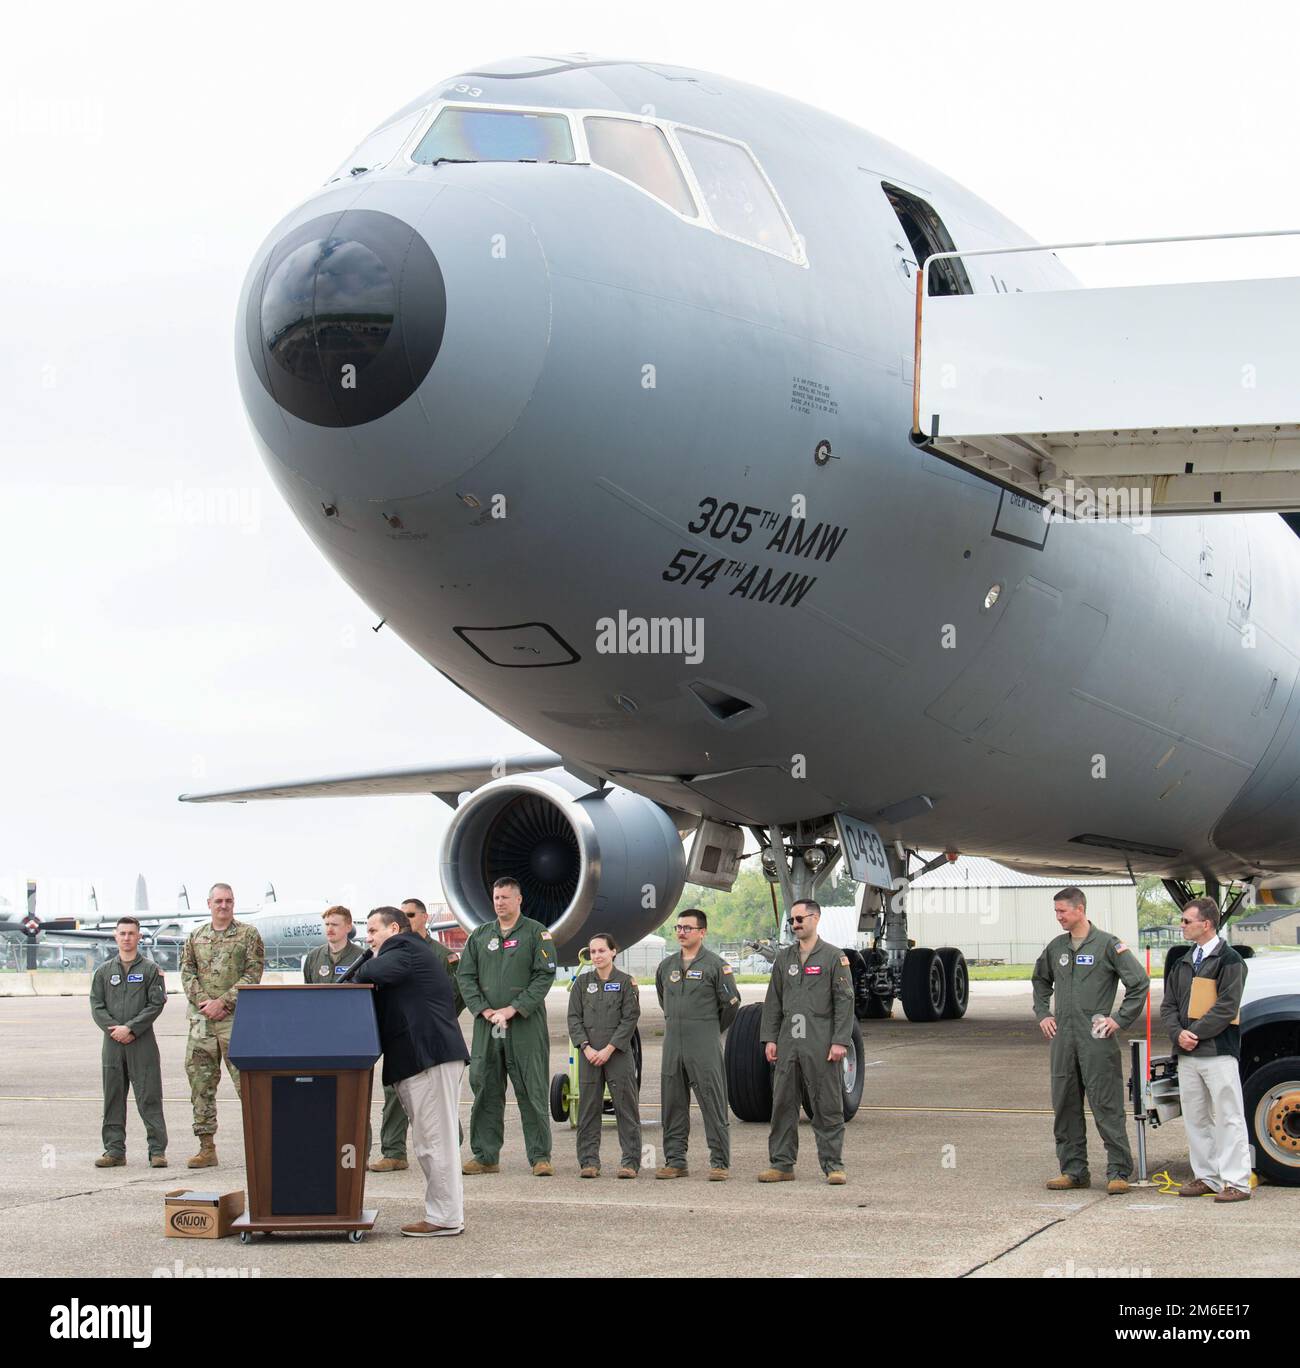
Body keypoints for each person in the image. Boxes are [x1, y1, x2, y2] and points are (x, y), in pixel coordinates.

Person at [353, 907, 469, 1236]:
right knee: (431, 1140)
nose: (369, 938)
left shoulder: (404, 948)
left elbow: (372, 972)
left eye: (374, 931)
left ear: (395, 928)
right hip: (423, 1058)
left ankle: (444, 1217)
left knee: (435, 1142)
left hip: (429, 1057)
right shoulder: (405, 951)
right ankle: (447, 1214)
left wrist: (363, 964)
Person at [1032, 886, 1149, 1194]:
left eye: (1062, 911)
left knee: (1106, 1104)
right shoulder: (1056, 948)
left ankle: (1119, 1171)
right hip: (1062, 1039)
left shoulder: (1109, 945)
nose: (1058, 917)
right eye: (1056, 912)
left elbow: (1139, 983)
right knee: (1065, 1104)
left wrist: (1119, 1020)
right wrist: (1043, 1013)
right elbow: (1040, 980)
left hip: (1096, 1036)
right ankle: (1073, 1170)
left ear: (1080, 909)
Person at [457, 876, 558, 1177]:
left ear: (518, 900)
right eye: (496, 897)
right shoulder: (479, 936)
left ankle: (540, 1157)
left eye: (505, 897)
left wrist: (514, 1008)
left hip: (524, 1025)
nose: (499, 902)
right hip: (488, 1026)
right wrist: (484, 1010)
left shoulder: (536, 934)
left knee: (532, 1088)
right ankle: (486, 1156)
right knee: (485, 1087)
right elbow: (465, 977)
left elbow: (544, 976)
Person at [1160, 896, 1252, 1202]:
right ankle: (1207, 1177)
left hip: (1217, 1051)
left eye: (1187, 921)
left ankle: (1237, 1182)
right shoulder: (1183, 961)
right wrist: (1178, 1034)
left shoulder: (1230, 961)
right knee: (1196, 1117)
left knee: (1229, 1116)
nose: (1182, 925)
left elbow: (1226, 1006)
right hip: (1188, 1053)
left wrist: (1193, 1034)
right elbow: (1169, 1004)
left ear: (1206, 924)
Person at [757, 900, 854, 1184]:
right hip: (788, 1043)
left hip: (820, 1042)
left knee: (827, 1105)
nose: (796, 924)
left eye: (800, 918)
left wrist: (840, 1041)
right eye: (792, 920)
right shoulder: (784, 958)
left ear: (816, 918)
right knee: (783, 1105)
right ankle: (782, 1164)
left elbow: (845, 1001)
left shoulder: (834, 957)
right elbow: (773, 1001)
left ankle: (833, 1165)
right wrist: (769, 1038)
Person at [370, 897, 465, 1173]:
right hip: (406, 1049)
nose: (369, 938)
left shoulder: (418, 950)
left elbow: (453, 995)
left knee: (438, 1134)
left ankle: (445, 1215)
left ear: (422, 918)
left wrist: (432, 1023)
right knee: (418, 1126)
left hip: (430, 1047)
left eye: (411, 914)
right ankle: (394, 1150)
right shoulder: (394, 951)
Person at [180, 883, 265, 1169]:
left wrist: (224, 1002)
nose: (224, 905)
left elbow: (253, 974)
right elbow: (186, 973)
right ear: (209, 904)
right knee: (201, 1084)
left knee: (248, 1085)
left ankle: (261, 1146)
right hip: (201, 1023)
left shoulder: (248, 934)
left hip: (236, 1021)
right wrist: (205, 1002)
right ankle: (206, 1147)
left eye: (228, 901)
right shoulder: (195, 936)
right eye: (218, 901)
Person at [654, 908, 740, 1180]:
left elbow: (731, 1004)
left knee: (712, 1103)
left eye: (687, 928)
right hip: (673, 1045)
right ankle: (676, 1160)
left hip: (704, 1043)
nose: (681, 932)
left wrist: (710, 1027)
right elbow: (662, 999)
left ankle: (719, 1162)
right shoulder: (666, 967)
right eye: (678, 927)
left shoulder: (716, 966)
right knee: (673, 1105)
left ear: (702, 932)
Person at [89, 917, 168, 1168]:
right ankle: (114, 1150)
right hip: (112, 1043)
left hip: (141, 1042)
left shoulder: (150, 970)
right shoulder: (103, 972)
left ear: (139, 936)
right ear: (115, 936)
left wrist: (131, 1029)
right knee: (112, 1096)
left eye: (131, 933)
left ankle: (157, 1151)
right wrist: (114, 1029)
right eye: (122, 933)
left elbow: (156, 1004)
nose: (126, 938)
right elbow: (96, 1005)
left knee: (149, 1096)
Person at [567, 933, 641, 1178]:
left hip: (617, 1054)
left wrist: (609, 1049)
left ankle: (630, 1162)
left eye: (601, 951)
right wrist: (586, 1048)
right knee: (588, 1109)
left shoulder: (625, 982)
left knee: (625, 1108)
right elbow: (574, 1018)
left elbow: (630, 1018)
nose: (596, 956)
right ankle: (589, 1162)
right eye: (593, 951)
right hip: (589, 1056)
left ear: (613, 952)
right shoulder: (581, 983)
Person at [301, 905, 365, 984]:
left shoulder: (362, 957)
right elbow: (307, 991)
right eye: (327, 924)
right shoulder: (313, 957)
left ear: (348, 927)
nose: (329, 929)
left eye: (334, 925)